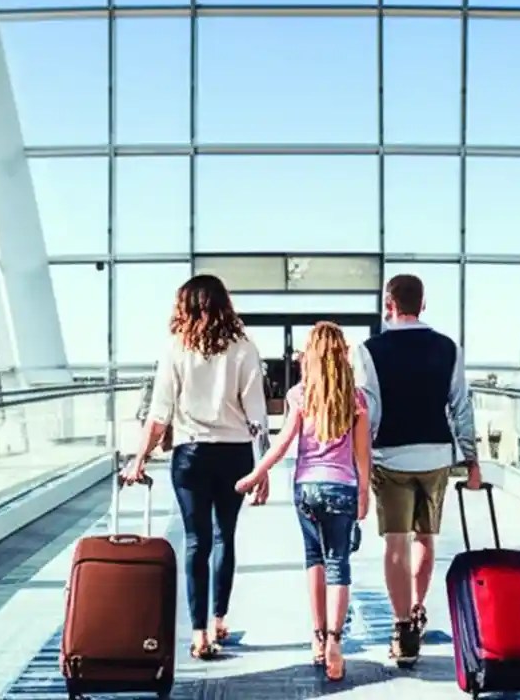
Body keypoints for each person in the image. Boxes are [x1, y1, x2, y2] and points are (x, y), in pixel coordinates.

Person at [122, 274, 269, 661]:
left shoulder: (175, 348)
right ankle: (219, 620)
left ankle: (200, 634)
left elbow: (159, 414)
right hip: (235, 454)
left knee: (195, 542)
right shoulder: (244, 347)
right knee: (224, 537)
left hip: (190, 456)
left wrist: (139, 458)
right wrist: (263, 467)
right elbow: (257, 416)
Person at [352, 273, 481, 668]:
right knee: (426, 537)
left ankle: (403, 627)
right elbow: (461, 406)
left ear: (388, 305)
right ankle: (418, 609)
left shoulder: (369, 350)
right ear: (422, 304)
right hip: (437, 455)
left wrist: (361, 464)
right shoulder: (448, 348)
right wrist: (471, 461)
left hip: (391, 457)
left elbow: (369, 412)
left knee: (396, 544)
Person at [234, 322, 370, 682]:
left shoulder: (299, 395)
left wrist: (256, 473)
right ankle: (336, 642)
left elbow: (282, 443)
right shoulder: (356, 399)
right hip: (341, 487)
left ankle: (317, 636)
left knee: (314, 560)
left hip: (306, 488)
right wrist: (364, 494)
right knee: (339, 564)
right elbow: (362, 456)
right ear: (342, 355)